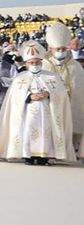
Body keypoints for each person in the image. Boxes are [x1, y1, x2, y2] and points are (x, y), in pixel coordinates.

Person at [0, 40, 76, 165]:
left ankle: (43, 157)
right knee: (28, 130)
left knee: (45, 132)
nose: (34, 64)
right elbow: (15, 97)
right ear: (27, 64)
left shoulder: (51, 76)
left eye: (37, 62)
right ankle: (28, 155)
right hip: (28, 111)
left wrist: (49, 94)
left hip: (47, 111)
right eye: (31, 63)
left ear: (41, 62)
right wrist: (30, 96)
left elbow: (61, 94)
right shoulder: (21, 77)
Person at [44, 22, 84, 157]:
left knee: (69, 125)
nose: (60, 52)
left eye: (62, 49)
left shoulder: (75, 66)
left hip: (70, 103)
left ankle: (69, 150)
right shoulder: (44, 65)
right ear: (51, 49)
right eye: (57, 49)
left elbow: (80, 87)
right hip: (50, 103)